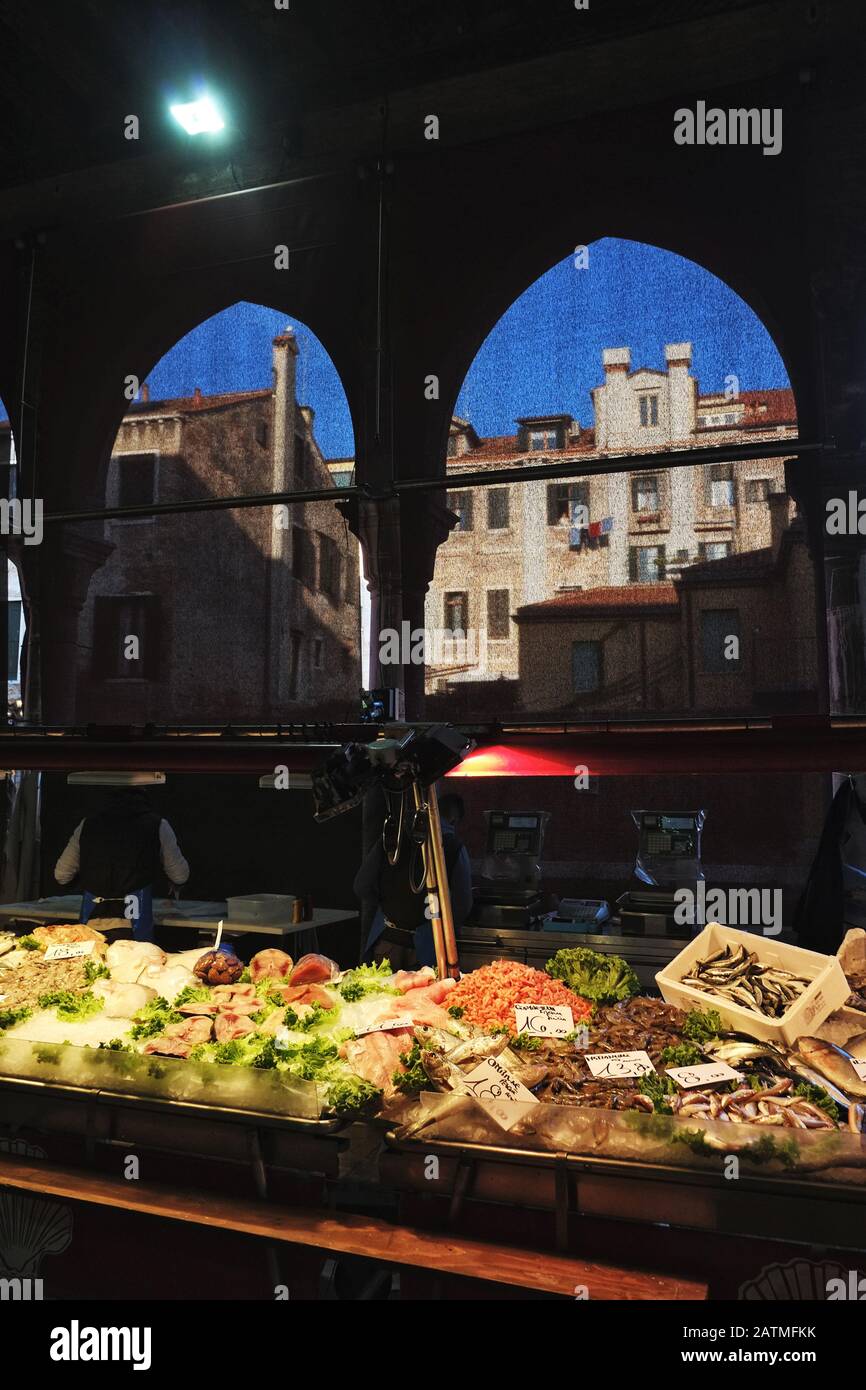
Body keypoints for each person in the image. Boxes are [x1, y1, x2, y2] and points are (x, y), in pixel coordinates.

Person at [355, 788, 473, 970]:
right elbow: (462, 904)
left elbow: (361, 885)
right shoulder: (453, 848)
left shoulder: (391, 838)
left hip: (387, 941)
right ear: (454, 820)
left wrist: (387, 903)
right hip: (427, 947)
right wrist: (437, 920)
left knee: (378, 995)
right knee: (425, 997)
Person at [55, 787, 190, 943]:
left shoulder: (88, 824)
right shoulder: (157, 824)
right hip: (135, 921)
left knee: (91, 963)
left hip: (92, 920)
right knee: (137, 965)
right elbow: (180, 875)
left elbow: (62, 875)